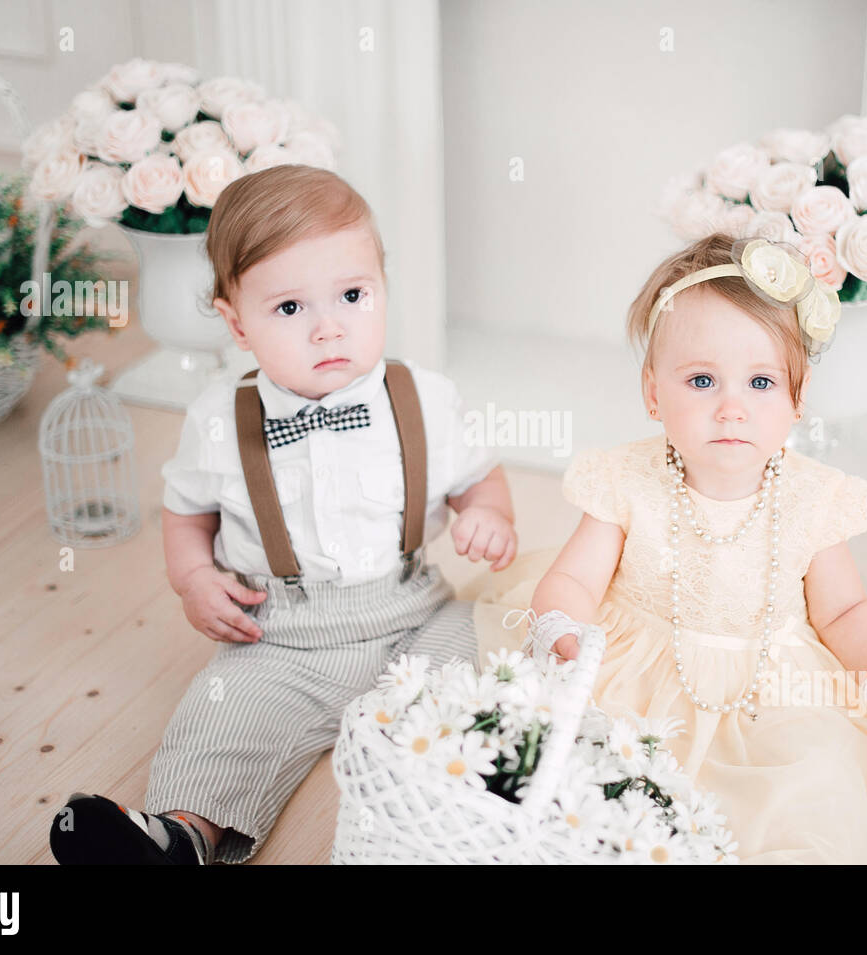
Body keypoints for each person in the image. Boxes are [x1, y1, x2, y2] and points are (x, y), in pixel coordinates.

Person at [464, 232, 867, 863]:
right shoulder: (626, 482)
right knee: (590, 776)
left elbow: (846, 611)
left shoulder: (813, 500)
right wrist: (560, 627)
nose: (732, 408)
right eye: (703, 380)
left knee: (812, 777)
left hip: (774, 688)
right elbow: (576, 581)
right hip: (642, 673)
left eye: (761, 382)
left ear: (798, 398)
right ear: (654, 393)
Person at [50, 164, 517, 865]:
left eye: (353, 295)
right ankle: (179, 835)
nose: (329, 328)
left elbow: (480, 478)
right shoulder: (217, 416)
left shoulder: (425, 395)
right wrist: (194, 580)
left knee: (478, 672)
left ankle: (467, 817)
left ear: (383, 289)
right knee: (221, 715)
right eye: (290, 309)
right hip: (278, 631)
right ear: (236, 322)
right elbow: (186, 513)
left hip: (414, 610)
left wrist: (490, 516)